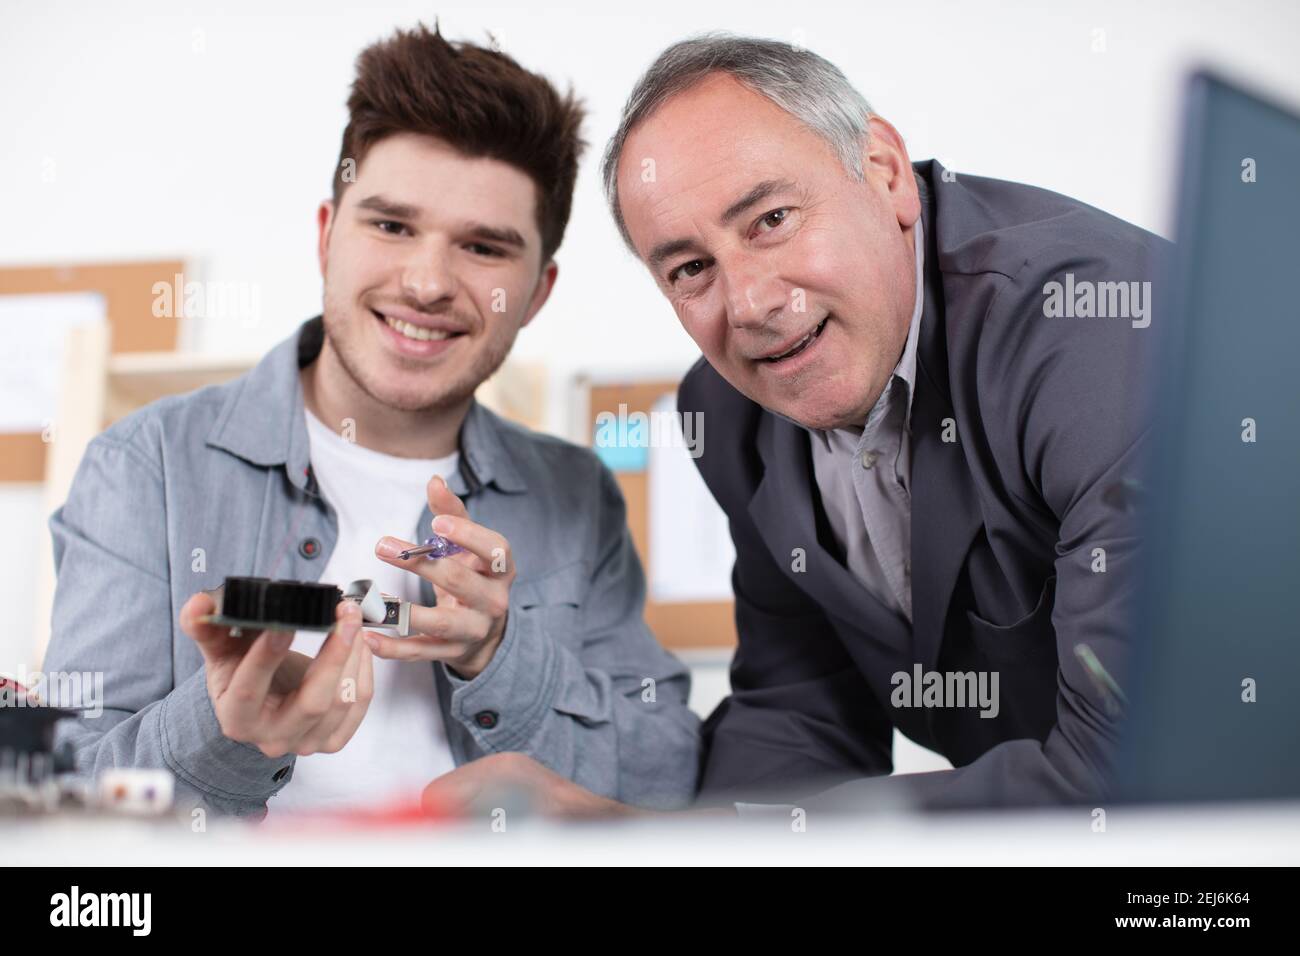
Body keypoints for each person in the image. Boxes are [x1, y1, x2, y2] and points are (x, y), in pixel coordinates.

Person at [426, 33, 1161, 814]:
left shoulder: (1091, 333)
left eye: (772, 218)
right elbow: (799, 714)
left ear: (884, 173)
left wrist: (655, 842)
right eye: (689, 269)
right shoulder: (729, 414)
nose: (750, 304)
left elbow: (1129, 774)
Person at [42, 23, 700, 820]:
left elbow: (666, 777)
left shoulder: (576, 493)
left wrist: (499, 655)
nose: (426, 283)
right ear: (328, 236)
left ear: (537, 294)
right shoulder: (145, 464)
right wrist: (226, 734)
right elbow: (67, 798)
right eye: (391, 226)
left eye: (484, 247)